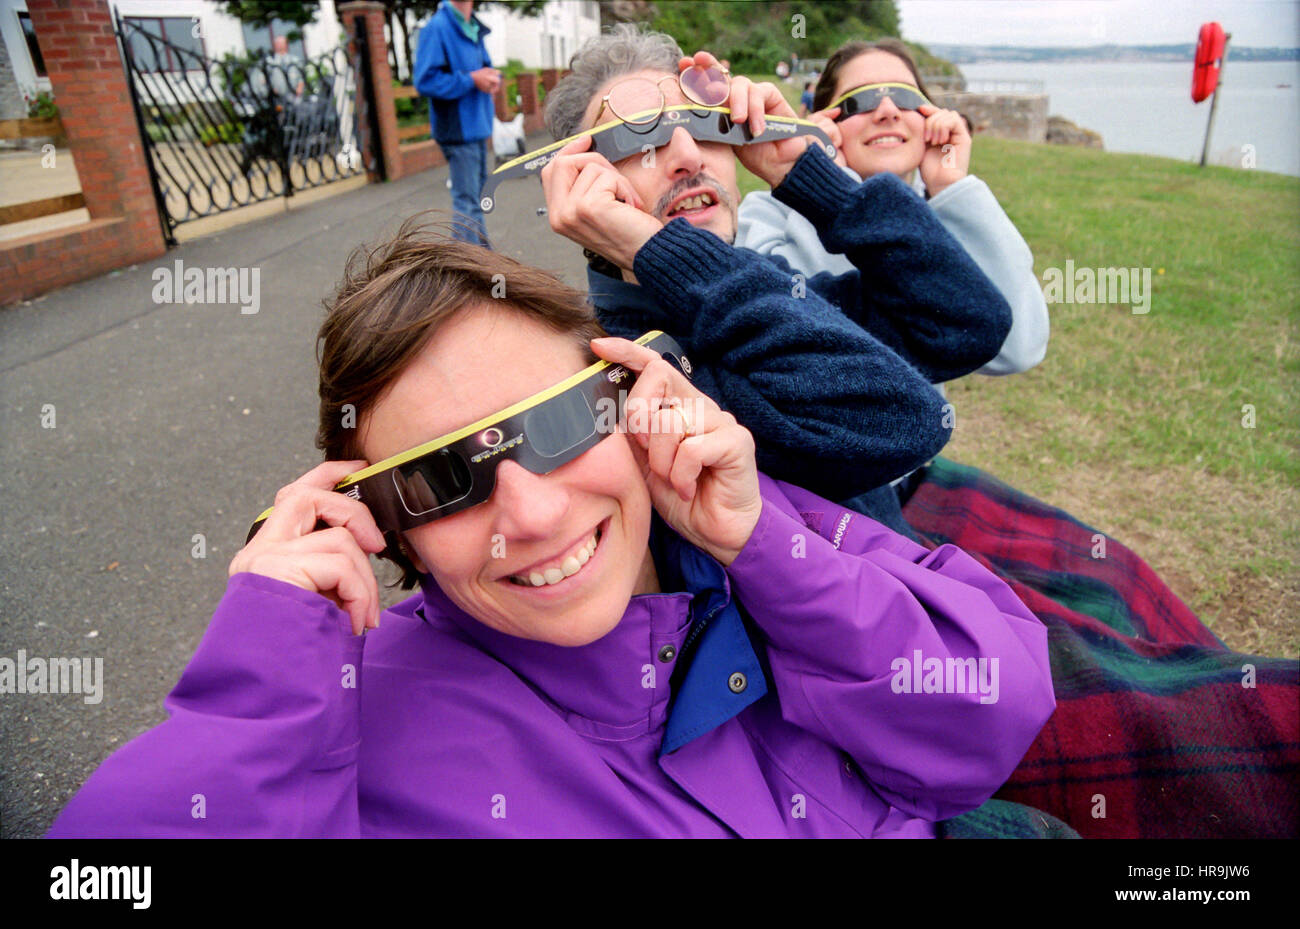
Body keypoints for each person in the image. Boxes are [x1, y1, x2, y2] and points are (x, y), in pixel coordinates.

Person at [46, 228, 1057, 838]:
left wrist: (772, 560)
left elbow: (984, 723)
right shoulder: (349, 723)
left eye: (559, 422)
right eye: (441, 479)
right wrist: (263, 686)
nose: (529, 511)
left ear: (631, 397)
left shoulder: (755, 528)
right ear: (377, 527)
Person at [539, 24, 1015, 537]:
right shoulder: (625, 374)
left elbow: (969, 324)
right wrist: (657, 251)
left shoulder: (773, 294)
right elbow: (903, 419)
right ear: (579, 188)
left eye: (705, 126)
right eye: (640, 139)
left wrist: (809, 178)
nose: (689, 157)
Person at [736, 39, 1050, 416]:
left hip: (911, 467)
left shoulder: (943, 215)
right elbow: (816, 339)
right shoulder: (764, 214)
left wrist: (952, 187)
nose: (887, 111)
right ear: (819, 123)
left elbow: (1017, 348)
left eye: (904, 97)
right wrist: (821, 183)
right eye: (859, 102)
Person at [414, 0, 500, 245]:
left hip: (477, 127)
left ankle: (483, 263)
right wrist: (472, 80)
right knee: (468, 204)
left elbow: (484, 67)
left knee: (476, 201)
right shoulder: (437, 28)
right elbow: (426, 81)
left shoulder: (472, 26)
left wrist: (492, 77)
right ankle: (466, 270)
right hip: (458, 129)